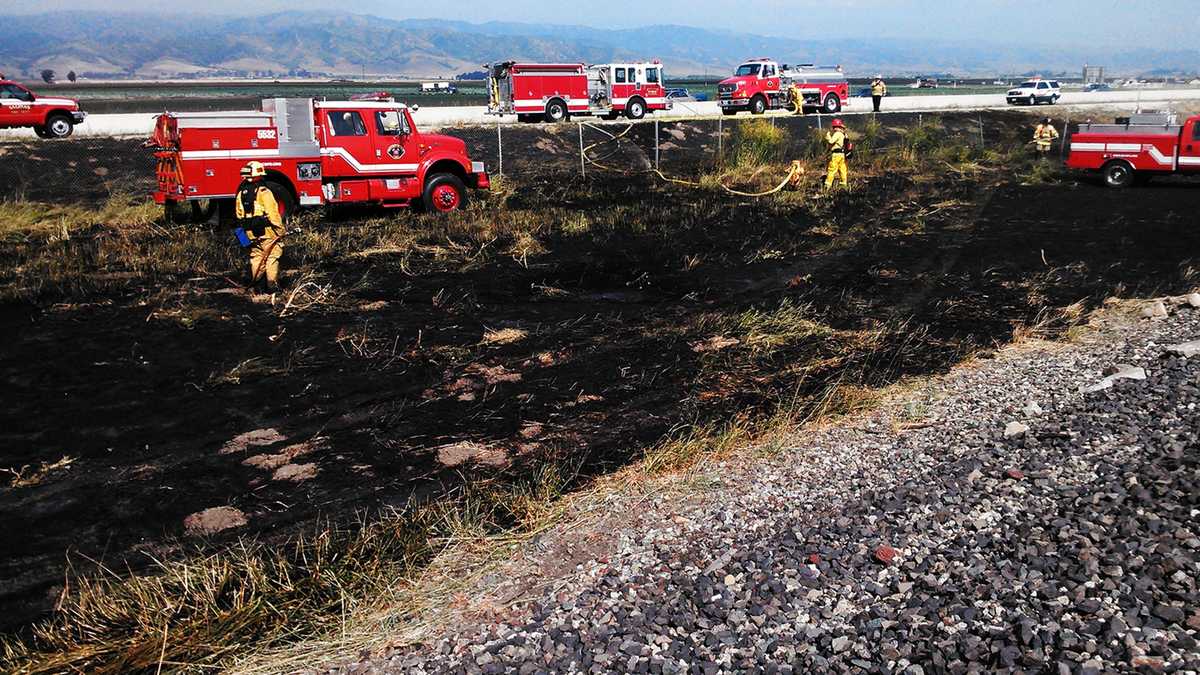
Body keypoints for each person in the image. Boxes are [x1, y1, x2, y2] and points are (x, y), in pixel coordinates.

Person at [234, 161, 285, 291]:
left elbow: (239, 215)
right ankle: (272, 286)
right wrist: (280, 230)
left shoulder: (241, 194)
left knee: (256, 255)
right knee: (273, 254)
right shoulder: (264, 192)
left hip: (249, 232)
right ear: (258, 175)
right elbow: (273, 214)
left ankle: (257, 285)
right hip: (266, 231)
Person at [824, 118, 849, 190]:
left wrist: (828, 137)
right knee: (842, 169)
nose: (833, 128)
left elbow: (831, 141)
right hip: (842, 154)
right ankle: (843, 184)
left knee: (832, 169)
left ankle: (827, 185)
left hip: (836, 155)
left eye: (834, 127)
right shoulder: (843, 134)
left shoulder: (837, 134)